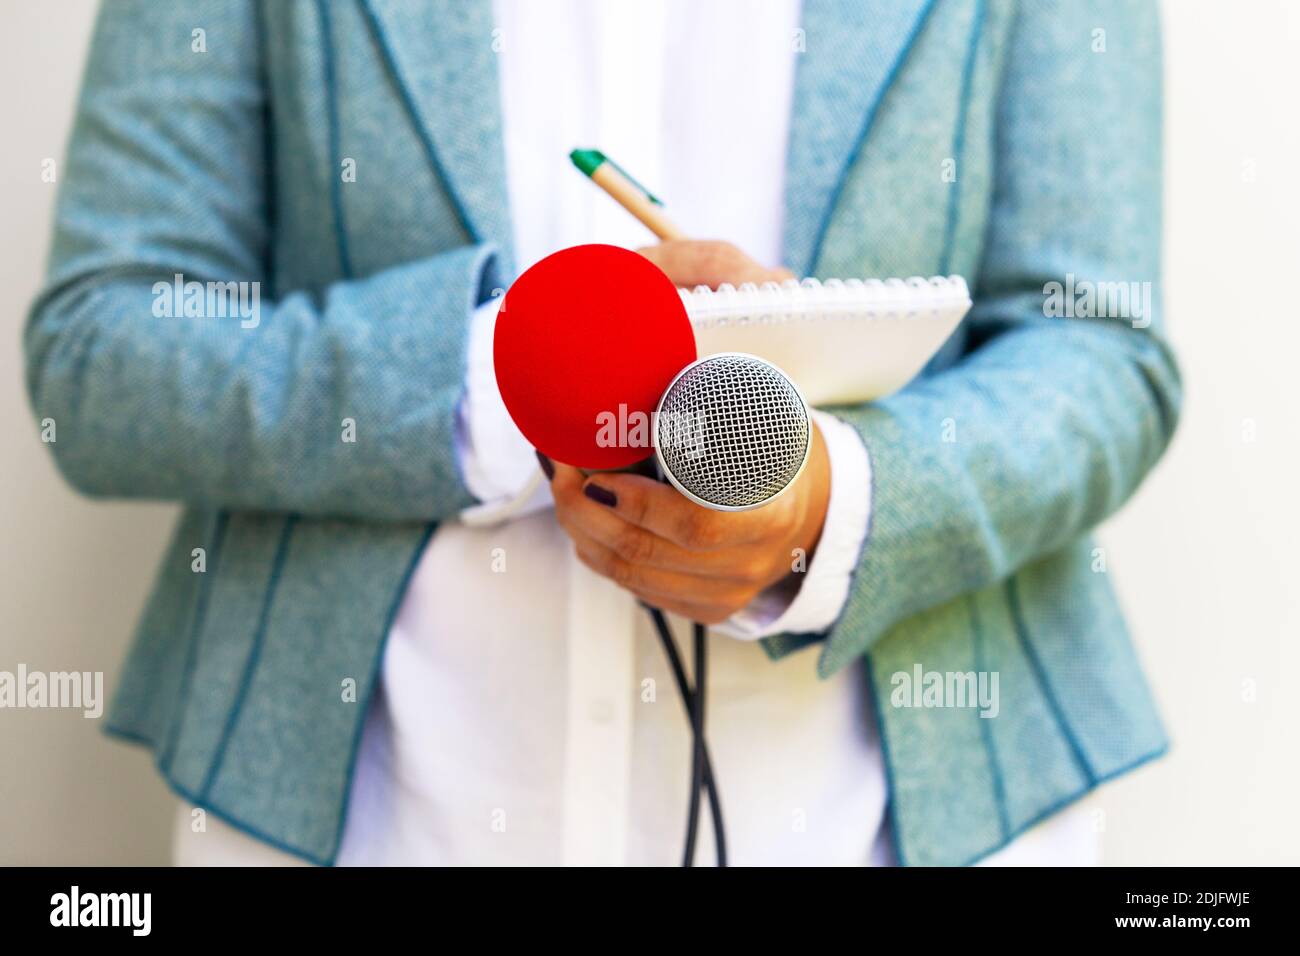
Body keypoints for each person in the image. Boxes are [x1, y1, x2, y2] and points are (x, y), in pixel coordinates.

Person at [27, 0, 1178, 866]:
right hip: (371, 807)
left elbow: (1096, 348)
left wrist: (829, 503)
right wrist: (531, 367)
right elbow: (99, 356)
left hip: (892, 813)